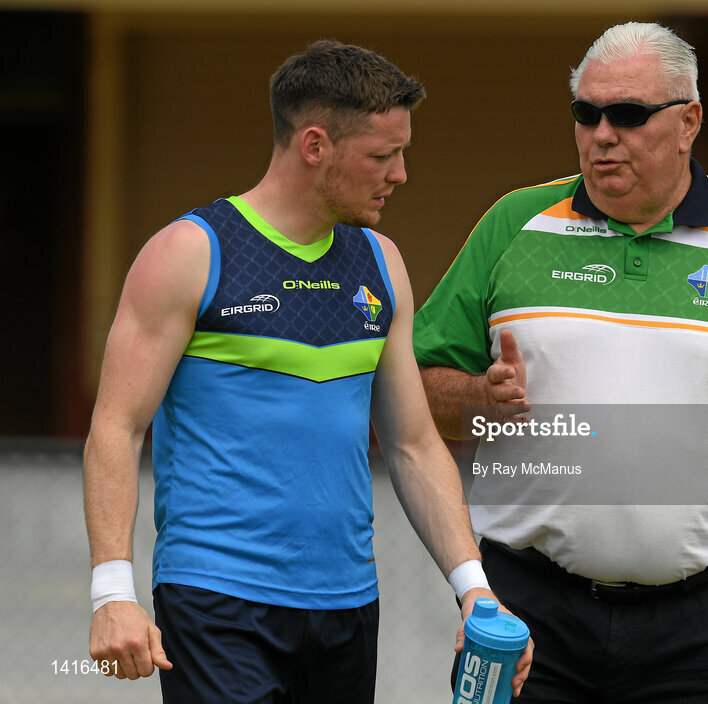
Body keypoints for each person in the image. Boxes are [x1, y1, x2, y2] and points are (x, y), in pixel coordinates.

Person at [414, 22, 708, 704]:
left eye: (629, 115)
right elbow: (418, 389)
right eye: (587, 113)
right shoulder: (514, 226)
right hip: (527, 609)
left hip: (704, 624)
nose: (603, 134)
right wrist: (477, 401)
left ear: (689, 120)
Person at [83, 39, 530, 703]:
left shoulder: (381, 263)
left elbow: (412, 444)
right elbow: (115, 428)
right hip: (217, 600)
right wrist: (111, 593)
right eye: (383, 155)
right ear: (314, 144)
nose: (401, 174)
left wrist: (476, 590)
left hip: (347, 604)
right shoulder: (190, 253)